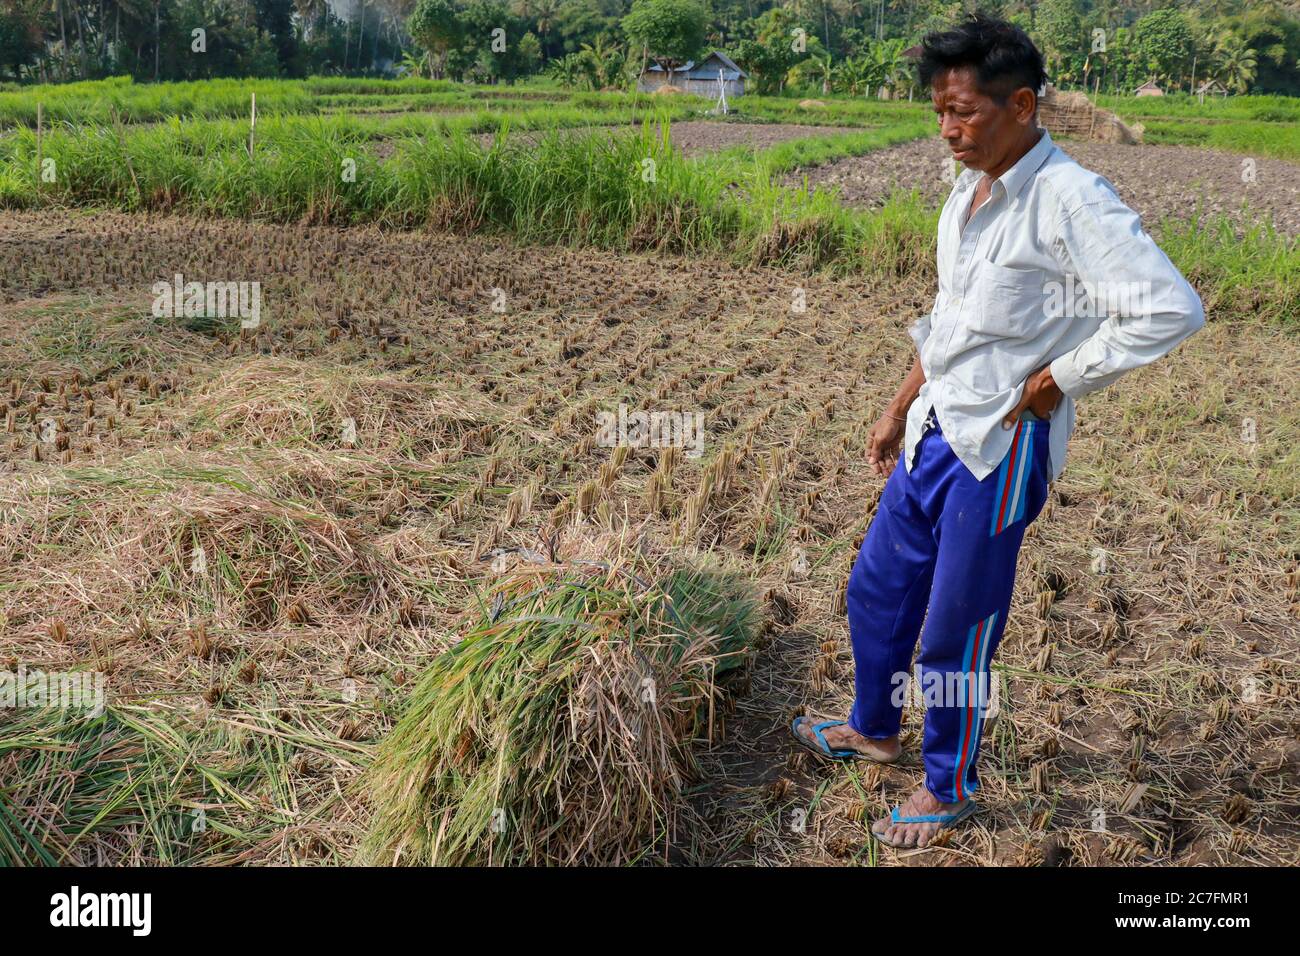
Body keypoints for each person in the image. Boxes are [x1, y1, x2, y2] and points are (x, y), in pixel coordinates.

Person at [790, 14, 1205, 850]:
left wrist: (1060, 379)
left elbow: (1171, 308)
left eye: (965, 112)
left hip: (1001, 448)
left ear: (1021, 103)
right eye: (939, 111)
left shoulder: (1070, 199)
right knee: (875, 591)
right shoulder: (967, 188)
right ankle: (873, 729)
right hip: (937, 430)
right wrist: (901, 402)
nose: (948, 130)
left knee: (956, 630)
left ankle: (948, 789)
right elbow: (954, 317)